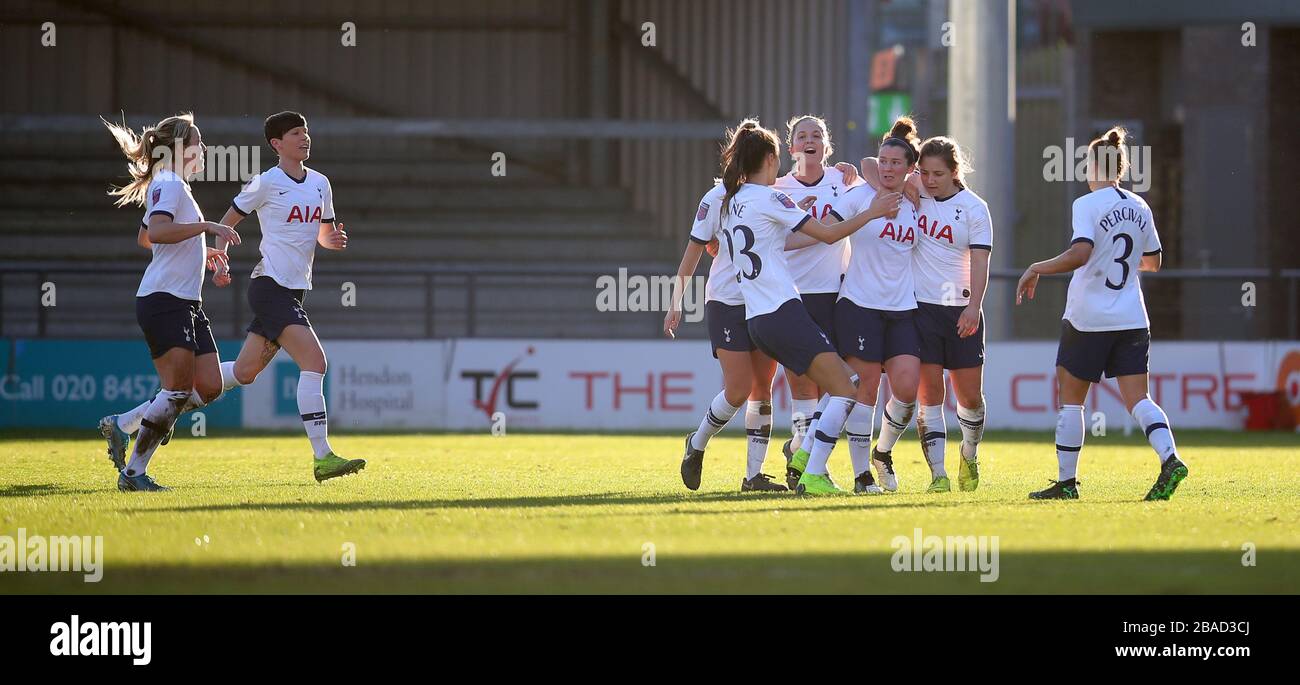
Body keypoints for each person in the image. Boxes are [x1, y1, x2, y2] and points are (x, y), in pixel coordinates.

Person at [692, 119, 902, 496]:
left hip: (758, 316)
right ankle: (810, 467)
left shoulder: (733, 199)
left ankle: (803, 458)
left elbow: (741, 241)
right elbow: (830, 234)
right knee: (847, 385)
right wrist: (872, 212)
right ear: (774, 158)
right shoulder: (773, 196)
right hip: (783, 309)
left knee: (833, 386)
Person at [1015, 126, 1188, 501]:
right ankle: (1170, 458)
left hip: (1088, 318)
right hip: (1132, 317)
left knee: (1072, 399)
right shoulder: (1139, 205)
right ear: (1121, 168)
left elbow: (1079, 252)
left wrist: (1036, 268)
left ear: (1091, 165)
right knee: (1138, 399)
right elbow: (1154, 262)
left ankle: (1066, 483)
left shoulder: (1087, 204)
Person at [210, 111, 365, 483]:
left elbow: (322, 234)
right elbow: (226, 221)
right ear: (277, 144)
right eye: (296, 133)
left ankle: (151, 412)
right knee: (315, 362)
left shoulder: (321, 184)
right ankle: (323, 455)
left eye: (307, 131)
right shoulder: (265, 183)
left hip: (295, 289)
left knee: (244, 372)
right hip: (271, 287)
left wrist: (334, 241)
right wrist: (218, 260)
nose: (305, 138)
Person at [98, 113, 241, 491]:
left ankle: (125, 423)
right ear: (181, 147)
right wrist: (206, 227)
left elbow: (146, 238)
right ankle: (134, 474)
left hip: (185, 303)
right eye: (199, 140)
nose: (205, 148)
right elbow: (158, 233)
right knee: (177, 391)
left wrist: (200, 249)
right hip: (164, 300)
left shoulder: (172, 185)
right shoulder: (170, 184)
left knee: (208, 385)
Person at [806, 117, 925, 494]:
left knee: (907, 386)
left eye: (897, 163)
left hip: (902, 308)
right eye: (884, 161)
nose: (888, 167)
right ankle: (861, 477)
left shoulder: (920, 198)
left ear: (910, 169)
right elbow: (826, 227)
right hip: (859, 305)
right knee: (865, 391)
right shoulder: (861, 193)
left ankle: (882, 450)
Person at [666, 156, 782, 492]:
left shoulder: (773, 195)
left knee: (763, 387)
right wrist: (675, 302)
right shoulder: (717, 197)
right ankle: (697, 442)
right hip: (726, 302)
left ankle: (753, 476)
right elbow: (694, 251)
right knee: (738, 389)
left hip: (763, 301)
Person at [771, 115, 860, 463]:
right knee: (801, 383)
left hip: (837, 294)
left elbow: (882, 187)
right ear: (791, 147)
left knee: (838, 384)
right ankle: (802, 454)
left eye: (817, 134)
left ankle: (799, 450)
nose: (810, 140)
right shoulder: (777, 189)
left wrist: (860, 166)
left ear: (827, 145)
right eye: (802, 135)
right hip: (792, 296)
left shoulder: (845, 180)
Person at [908, 135, 993, 492]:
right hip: (922, 308)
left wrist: (973, 306)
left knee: (969, 397)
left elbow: (980, 259)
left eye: (938, 174)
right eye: (924, 172)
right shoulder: (917, 193)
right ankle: (938, 475)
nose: (929, 180)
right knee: (930, 396)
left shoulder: (975, 208)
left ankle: (969, 453)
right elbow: (875, 167)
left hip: (961, 310)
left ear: (955, 171)